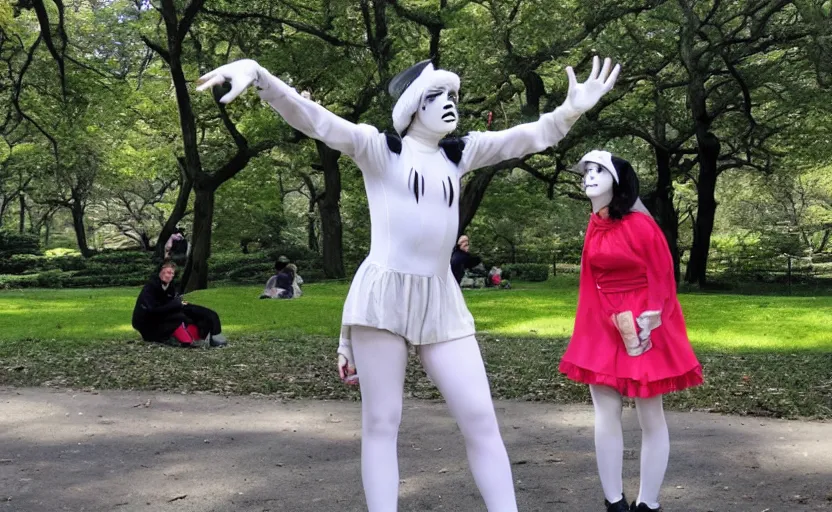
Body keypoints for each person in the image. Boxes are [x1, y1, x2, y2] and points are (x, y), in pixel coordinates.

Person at [197, 55, 619, 511]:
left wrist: (571, 110)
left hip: (441, 300)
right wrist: (261, 76)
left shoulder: (461, 153)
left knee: (480, 418)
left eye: (452, 94)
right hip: (383, 299)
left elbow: (529, 136)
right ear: (414, 106)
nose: (449, 102)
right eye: (436, 95)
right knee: (382, 422)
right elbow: (316, 120)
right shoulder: (380, 149)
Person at [558, 151, 703, 512]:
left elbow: (662, 273)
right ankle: (614, 501)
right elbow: (589, 280)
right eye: (587, 172)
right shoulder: (594, 225)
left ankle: (648, 503)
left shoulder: (641, 225)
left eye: (599, 170)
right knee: (605, 411)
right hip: (603, 323)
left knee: (650, 413)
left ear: (618, 179)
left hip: (643, 322)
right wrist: (591, 328)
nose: (589, 176)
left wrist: (654, 315)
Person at [132, 260, 228, 347]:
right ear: (160, 271)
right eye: (168, 272)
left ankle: (210, 335)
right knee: (180, 317)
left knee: (195, 313)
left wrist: (179, 304)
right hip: (149, 323)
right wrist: (175, 304)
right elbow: (152, 310)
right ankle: (176, 337)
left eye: (172, 273)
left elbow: (172, 303)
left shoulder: (170, 288)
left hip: (164, 315)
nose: (170, 275)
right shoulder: (150, 288)